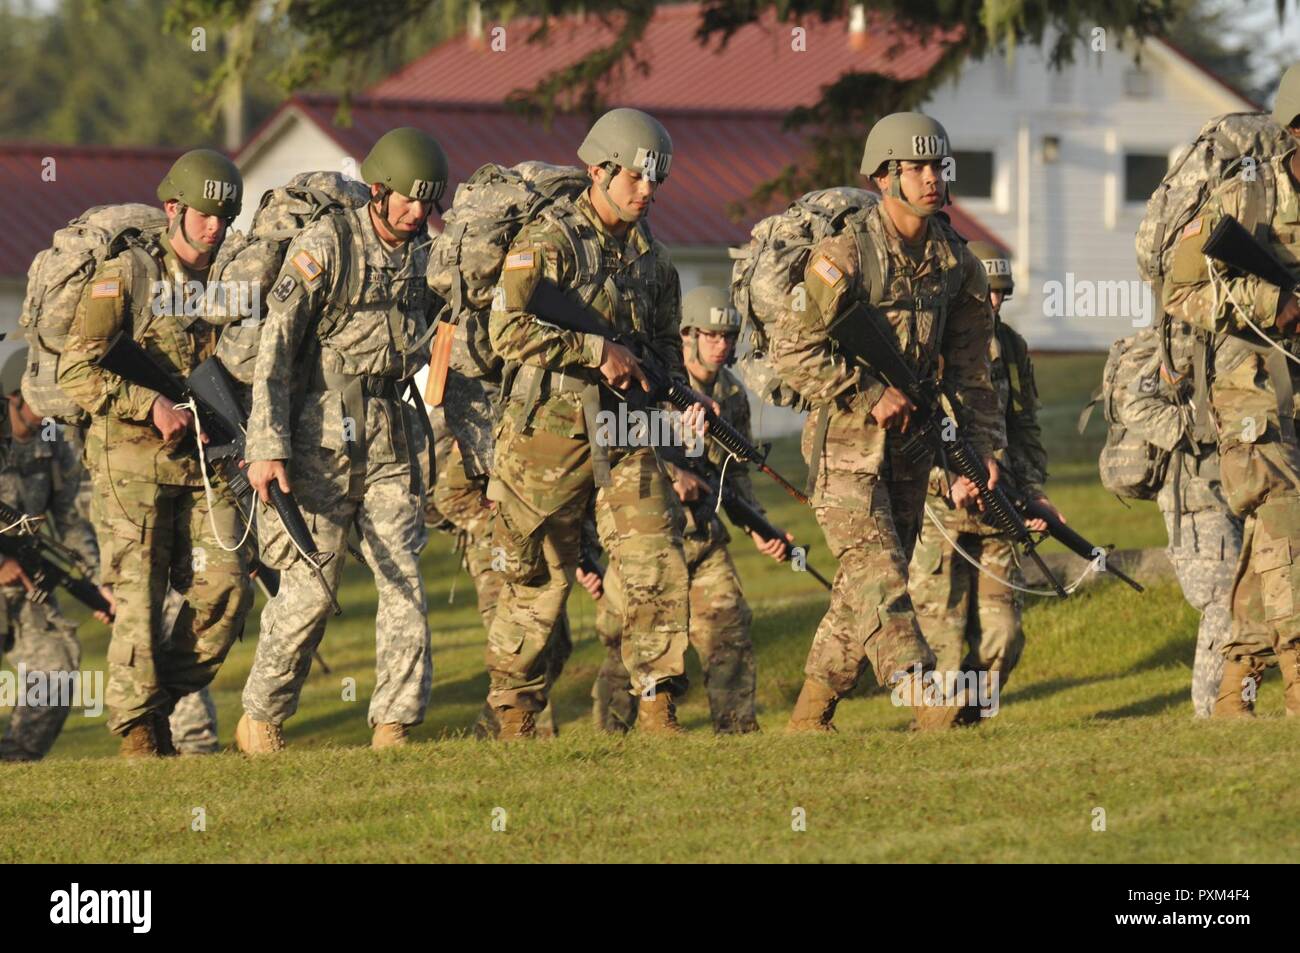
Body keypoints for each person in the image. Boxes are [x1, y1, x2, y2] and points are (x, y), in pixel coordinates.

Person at [773, 112, 1006, 732]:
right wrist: (867, 390)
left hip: (911, 449)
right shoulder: (845, 254)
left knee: (862, 591)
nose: (932, 179)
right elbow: (793, 350)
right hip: (846, 449)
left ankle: (808, 716)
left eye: (938, 167)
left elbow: (970, 371)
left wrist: (982, 447)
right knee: (878, 574)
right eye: (917, 168)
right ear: (884, 177)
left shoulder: (956, 262)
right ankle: (922, 692)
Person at [485, 107, 708, 737]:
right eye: (636, 177)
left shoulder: (655, 262)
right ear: (598, 170)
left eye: (655, 180)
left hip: (626, 435)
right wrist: (593, 351)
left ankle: (659, 704)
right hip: (545, 437)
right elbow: (507, 328)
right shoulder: (548, 240)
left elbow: (663, 354)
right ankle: (516, 714)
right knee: (535, 582)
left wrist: (684, 398)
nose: (647, 190)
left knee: (654, 559)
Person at [238, 127, 448, 752]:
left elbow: (443, 348)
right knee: (308, 591)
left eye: (428, 202)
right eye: (409, 200)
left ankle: (394, 724)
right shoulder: (327, 244)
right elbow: (275, 352)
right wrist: (266, 446)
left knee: (403, 578)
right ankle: (262, 718)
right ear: (379, 190)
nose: (418, 213)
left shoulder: (425, 256)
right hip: (316, 444)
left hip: (390, 441)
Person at [59, 149, 253, 756]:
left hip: (206, 462)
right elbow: (75, 369)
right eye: (204, 215)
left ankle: (156, 700)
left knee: (226, 591)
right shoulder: (130, 275)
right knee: (138, 602)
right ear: (174, 209)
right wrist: (149, 405)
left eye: (225, 216)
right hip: (131, 467)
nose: (214, 227)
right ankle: (140, 736)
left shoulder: (232, 280)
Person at [1160, 63, 1300, 716]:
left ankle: (1233, 691)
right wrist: (1274, 302)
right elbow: (1179, 291)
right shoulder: (1245, 199)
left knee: (1269, 540)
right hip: (1245, 394)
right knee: (1285, 514)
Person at [591, 286, 789, 733]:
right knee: (631, 643)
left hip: (701, 536)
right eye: (712, 334)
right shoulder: (654, 383)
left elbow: (733, 474)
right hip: (649, 536)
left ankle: (738, 731)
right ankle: (609, 742)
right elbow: (622, 444)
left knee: (730, 630)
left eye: (729, 336)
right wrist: (674, 476)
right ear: (687, 336)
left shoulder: (731, 395)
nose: (722, 345)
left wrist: (759, 525)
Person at [908, 242, 1062, 719]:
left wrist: (1033, 491)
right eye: (984, 295)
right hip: (941, 516)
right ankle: (939, 729)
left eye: (1000, 295)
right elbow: (905, 435)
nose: (992, 305)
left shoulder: (1012, 349)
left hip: (999, 505)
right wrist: (942, 482)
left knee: (1003, 636)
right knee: (945, 643)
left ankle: (971, 719)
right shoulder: (926, 347)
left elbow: (1025, 426)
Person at [0, 347, 113, 760]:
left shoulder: (54, 448)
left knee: (58, 669)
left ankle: (14, 762)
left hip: (26, 582)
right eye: (40, 401)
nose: (50, 412)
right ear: (14, 395)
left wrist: (98, 582)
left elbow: (70, 523)